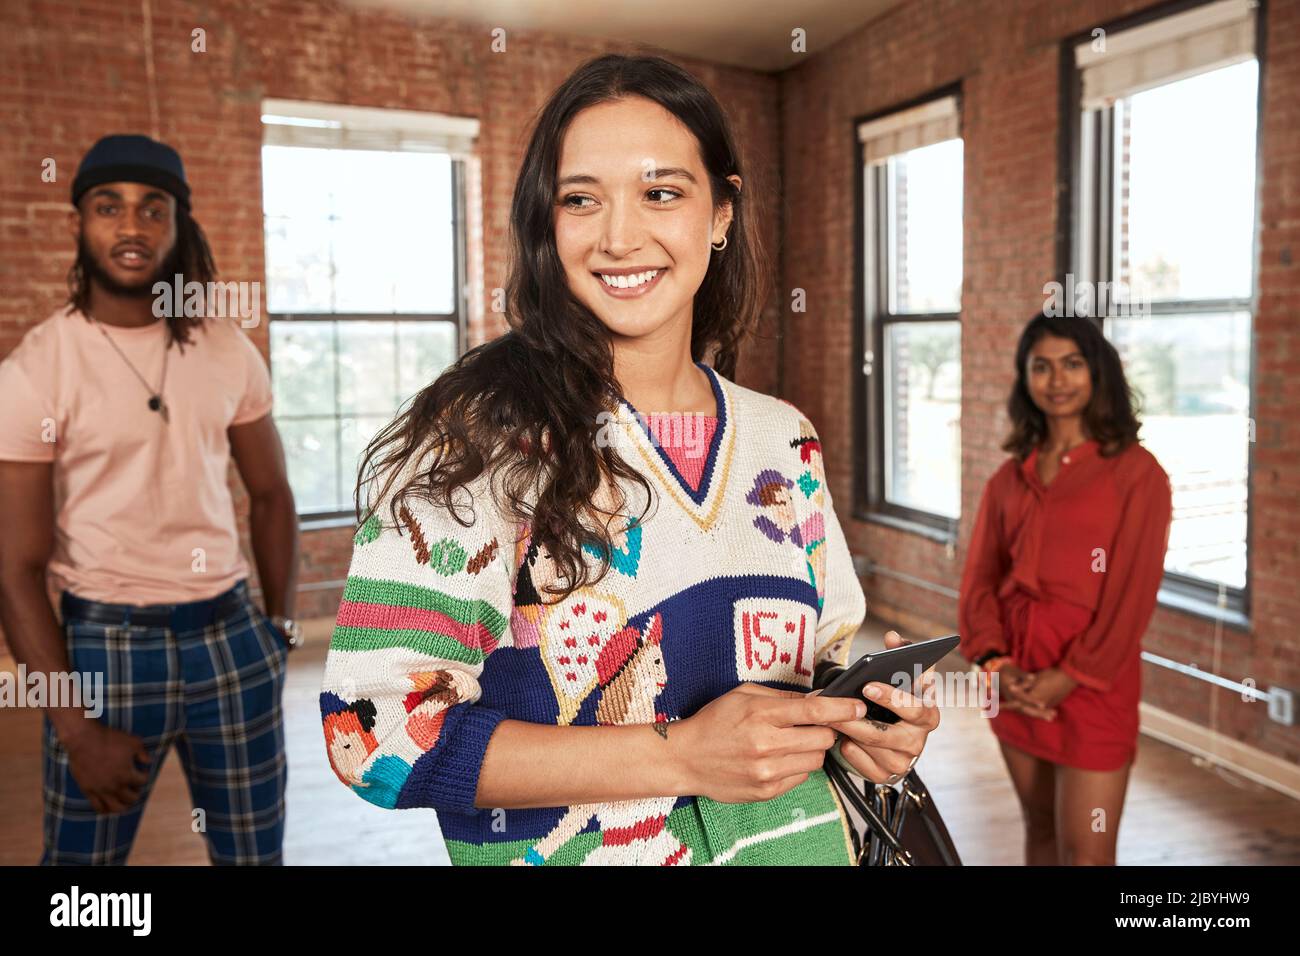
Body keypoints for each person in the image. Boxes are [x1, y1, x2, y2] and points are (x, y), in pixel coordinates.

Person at [319, 54, 940, 865]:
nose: (619, 236)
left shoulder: (785, 440)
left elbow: (816, 667)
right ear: (549, 222)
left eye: (662, 193)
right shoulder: (474, 445)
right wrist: (679, 754)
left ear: (721, 212)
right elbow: (371, 733)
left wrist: (867, 730)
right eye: (582, 199)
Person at [0, 134, 301, 865]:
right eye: (109, 207)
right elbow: (15, 567)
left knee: (255, 859)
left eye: (152, 209)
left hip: (231, 642)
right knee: (80, 880)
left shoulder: (225, 347)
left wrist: (279, 631)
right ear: (80, 222)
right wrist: (74, 726)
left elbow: (271, 495)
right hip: (105, 650)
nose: (132, 227)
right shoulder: (37, 368)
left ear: (177, 226)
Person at [958, 313, 1173, 866]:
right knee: (1042, 834)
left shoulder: (1137, 474)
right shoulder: (1008, 479)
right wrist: (995, 665)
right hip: (1013, 679)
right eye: (1042, 367)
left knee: (1089, 854)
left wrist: (1071, 676)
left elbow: (1131, 598)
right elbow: (979, 582)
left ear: (1097, 372)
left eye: (1072, 365)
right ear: (1024, 378)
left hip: (1094, 685)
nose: (1057, 380)